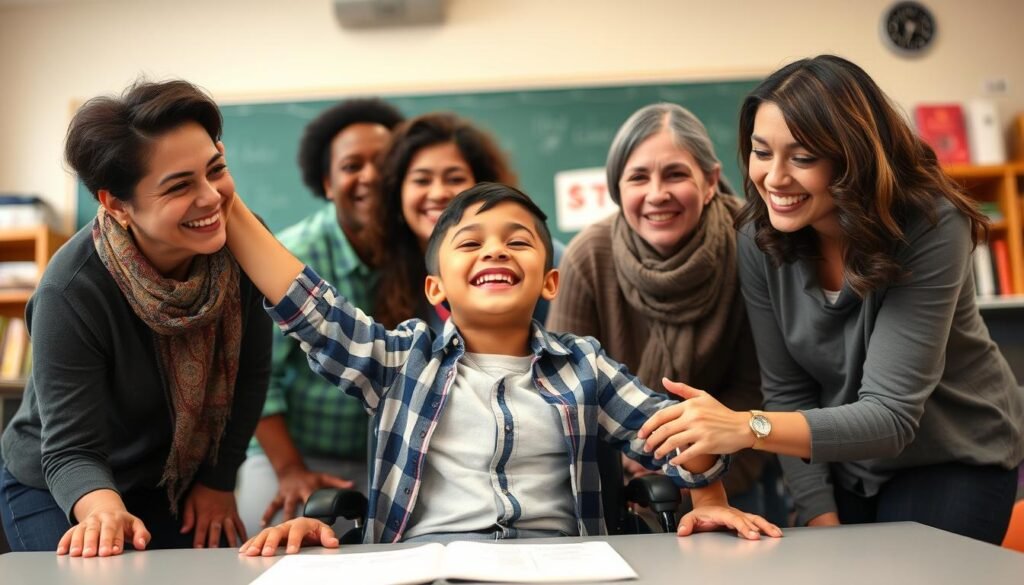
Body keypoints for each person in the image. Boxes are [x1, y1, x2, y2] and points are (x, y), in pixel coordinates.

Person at [225, 182, 781, 553]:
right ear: (435, 287)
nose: (495, 251)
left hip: (560, 562)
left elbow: (679, 442)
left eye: (518, 242)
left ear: (550, 281)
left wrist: (705, 470)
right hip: (428, 563)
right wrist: (229, 207)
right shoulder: (404, 361)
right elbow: (312, 311)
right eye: (470, 243)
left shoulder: (585, 367)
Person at [639, 55, 1024, 544]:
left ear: (853, 158)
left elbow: (890, 416)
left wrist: (745, 426)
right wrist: (818, 512)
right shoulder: (759, 237)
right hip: (845, 459)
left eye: (802, 158)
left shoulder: (930, 224)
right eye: (761, 152)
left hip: (951, 454)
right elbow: (786, 390)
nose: (774, 178)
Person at [0, 80, 272, 556]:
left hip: (170, 479)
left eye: (216, 170)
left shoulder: (243, 245)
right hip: (61, 482)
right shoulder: (72, 290)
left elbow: (250, 376)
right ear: (117, 205)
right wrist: (103, 511)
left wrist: (217, 479)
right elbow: (70, 449)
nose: (211, 198)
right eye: (180, 186)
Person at [546, 103, 771, 516]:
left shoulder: (753, 246)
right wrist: (642, 457)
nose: (656, 194)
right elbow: (567, 392)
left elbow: (759, 387)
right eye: (637, 178)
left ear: (709, 182)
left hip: (736, 468)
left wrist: (696, 473)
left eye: (676, 174)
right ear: (617, 190)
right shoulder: (588, 256)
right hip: (620, 475)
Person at [235, 99, 404, 537]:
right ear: (328, 184)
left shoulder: (425, 252)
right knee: (271, 556)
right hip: (294, 455)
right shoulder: (290, 259)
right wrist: (291, 469)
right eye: (352, 166)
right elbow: (255, 379)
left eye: (384, 163)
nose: (369, 176)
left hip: (388, 458)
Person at [373, 112, 563, 330]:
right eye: (421, 180)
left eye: (455, 179)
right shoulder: (387, 274)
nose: (438, 193)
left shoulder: (542, 258)